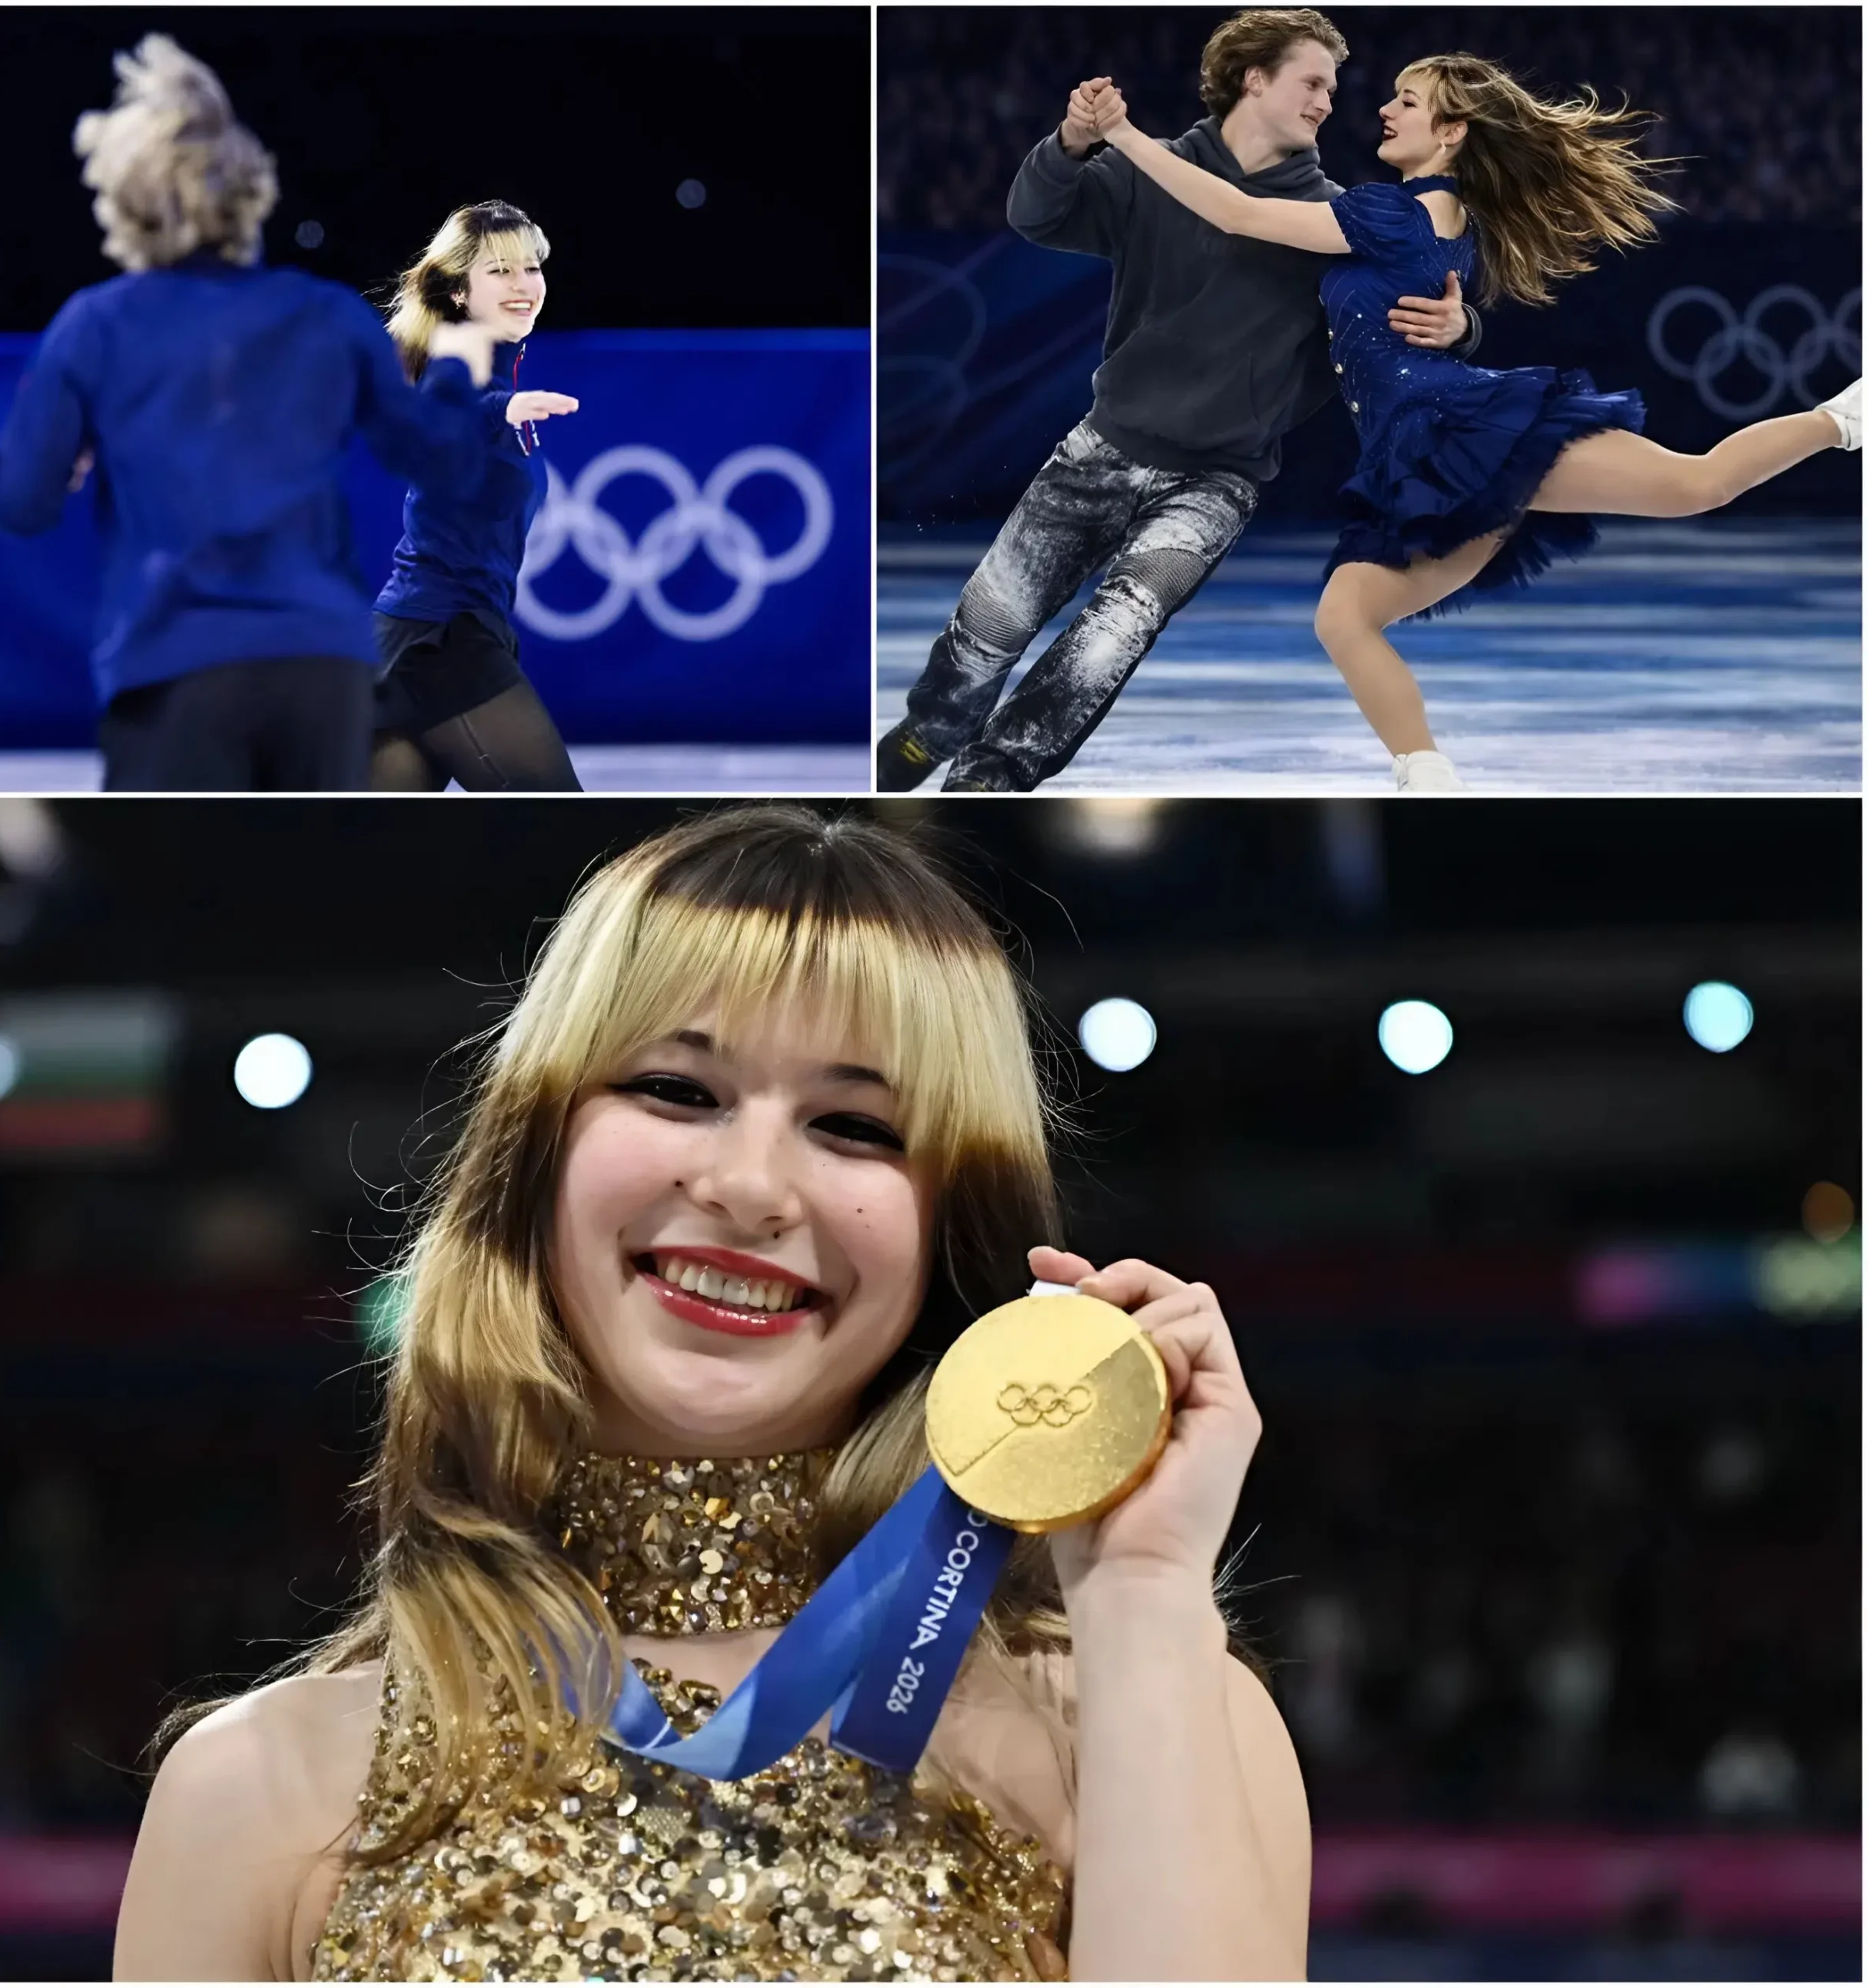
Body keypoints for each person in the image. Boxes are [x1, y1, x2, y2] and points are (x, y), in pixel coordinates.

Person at [111, 805, 1310, 1983]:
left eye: (853, 1126)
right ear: (536, 1153)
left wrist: (1146, 1597)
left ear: (955, 1223)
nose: (749, 1186)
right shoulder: (256, 1795)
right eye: (679, 1090)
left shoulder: (1154, 1725)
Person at [1088, 60, 1862, 791]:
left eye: (1407, 100)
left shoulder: (1388, 211)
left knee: (1697, 483)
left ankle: (1846, 416)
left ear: (1453, 131)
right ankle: (1426, 777)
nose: (1384, 110)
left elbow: (1234, 211)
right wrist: (1458, 327)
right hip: (1427, 448)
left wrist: (1123, 137)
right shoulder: (1436, 212)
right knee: (1346, 619)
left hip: (1455, 429)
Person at [877, 8, 1482, 795]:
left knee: (1111, 636)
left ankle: (992, 780)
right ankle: (932, 732)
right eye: (1312, 82)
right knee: (991, 624)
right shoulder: (1149, 172)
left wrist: (1461, 325)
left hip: (1215, 483)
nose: (1329, 101)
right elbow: (1036, 214)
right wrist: (1069, 144)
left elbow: (1417, 296)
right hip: (1100, 448)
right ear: (1253, 79)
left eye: (1332, 87)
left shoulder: (1329, 213)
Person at [0, 35, 501, 794]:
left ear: (125, 200)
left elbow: (18, 505)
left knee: (174, 902)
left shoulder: (95, 325)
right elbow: (446, 464)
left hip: (176, 670)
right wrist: (455, 371)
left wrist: (64, 459)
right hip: (322, 672)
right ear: (249, 190)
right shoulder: (325, 313)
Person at [370, 201, 585, 792]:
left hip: (445, 630)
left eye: (530, 267)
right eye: (500, 271)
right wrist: (502, 410)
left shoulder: (495, 364)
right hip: (440, 638)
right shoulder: (461, 358)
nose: (524, 285)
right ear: (460, 291)